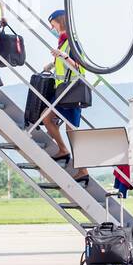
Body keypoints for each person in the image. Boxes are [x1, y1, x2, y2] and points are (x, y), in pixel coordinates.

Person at [43, 11, 86, 175]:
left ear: (60, 22)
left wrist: (63, 55)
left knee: (70, 130)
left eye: (52, 23)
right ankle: (65, 152)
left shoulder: (72, 42)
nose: (51, 27)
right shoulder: (63, 42)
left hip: (71, 92)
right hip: (63, 92)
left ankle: (81, 167)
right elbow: (65, 63)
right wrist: (52, 64)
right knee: (53, 122)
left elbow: (80, 67)